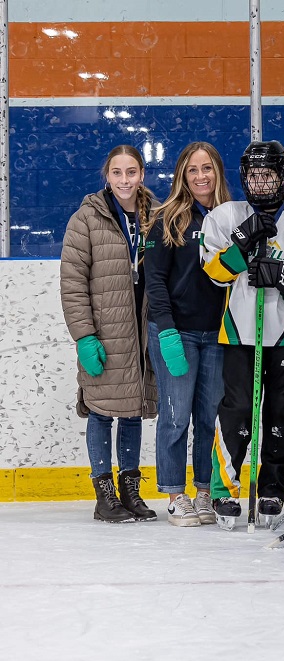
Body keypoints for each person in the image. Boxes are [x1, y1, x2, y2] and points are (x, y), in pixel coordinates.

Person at [201, 140, 284, 529]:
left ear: (283, 176)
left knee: (280, 414)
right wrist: (242, 244)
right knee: (237, 412)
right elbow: (214, 274)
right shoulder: (225, 216)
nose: (261, 182)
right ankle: (223, 489)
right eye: (254, 175)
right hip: (239, 335)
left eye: (268, 174)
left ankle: (272, 487)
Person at [60, 144, 159, 523]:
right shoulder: (85, 219)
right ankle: (104, 495)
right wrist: (84, 336)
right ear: (107, 175)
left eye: (131, 172)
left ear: (142, 174)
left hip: (142, 334)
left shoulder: (155, 217)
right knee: (102, 413)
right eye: (117, 173)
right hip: (105, 334)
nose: (124, 180)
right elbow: (73, 284)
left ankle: (130, 493)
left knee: (133, 412)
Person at [143, 142, 231, 527]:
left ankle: (205, 492)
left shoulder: (231, 217)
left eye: (207, 168)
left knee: (209, 418)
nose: (200, 176)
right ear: (182, 174)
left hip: (218, 334)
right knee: (177, 416)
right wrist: (165, 331)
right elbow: (155, 280)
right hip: (175, 332)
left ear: (218, 172)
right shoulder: (166, 218)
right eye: (193, 169)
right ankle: (177, 495)